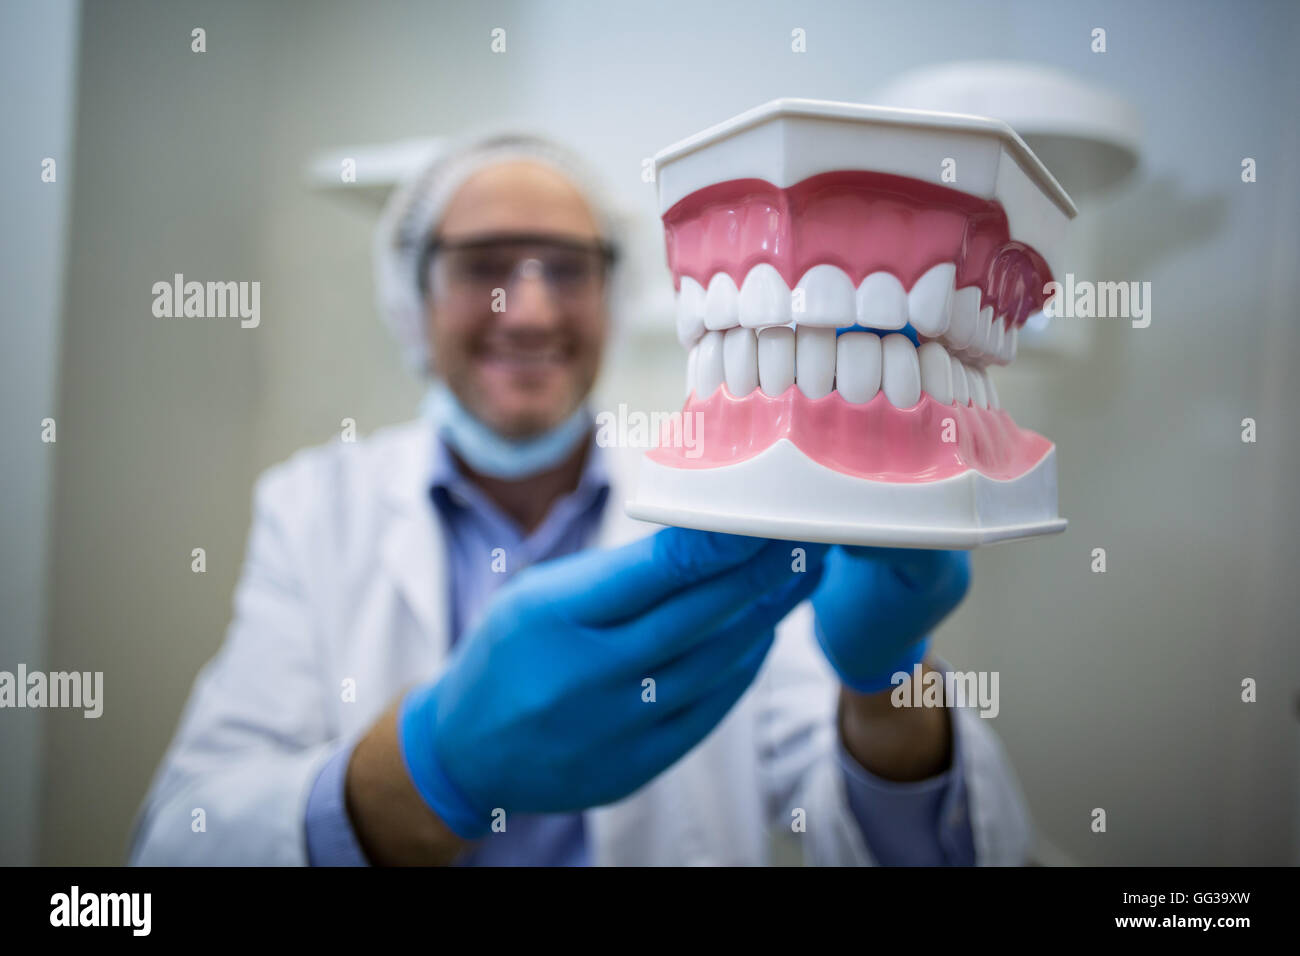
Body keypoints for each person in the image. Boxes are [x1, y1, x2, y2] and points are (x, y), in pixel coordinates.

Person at [127, 133, 1032, 866]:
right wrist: (430, 765)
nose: (529, 312)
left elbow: (900, 845)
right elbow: (178, 844)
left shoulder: (737, 493)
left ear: (615, 291)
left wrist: (885, 678)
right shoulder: (312, 507)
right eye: (483, 263)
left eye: (568, 268)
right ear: (412, 298)